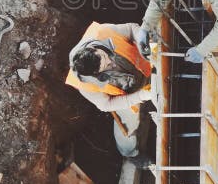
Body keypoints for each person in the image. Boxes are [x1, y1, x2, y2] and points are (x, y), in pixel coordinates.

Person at [65, 22, 153, 162]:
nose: (111, 62)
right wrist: (140, 96)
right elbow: (106, 104)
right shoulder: (85, 86)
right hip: (128, 94)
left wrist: (144, 42)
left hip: (146, 66)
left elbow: (131, 29)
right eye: (106, 66)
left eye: (105, 56)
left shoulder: (103, 33)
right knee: (127, 135)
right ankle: (132, 155)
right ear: (95, 74)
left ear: (94, 48)